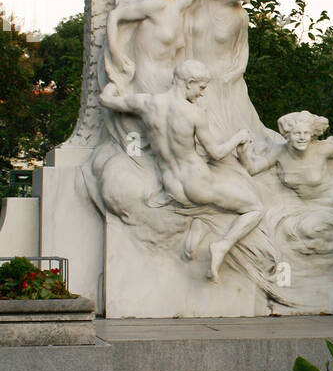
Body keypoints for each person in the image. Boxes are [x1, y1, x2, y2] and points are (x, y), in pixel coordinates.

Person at [100, 60, 261, 280]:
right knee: (254, 208)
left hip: (171, 186)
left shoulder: (146, 103)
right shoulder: (194, 113)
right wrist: (239, 137)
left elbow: (106, 100)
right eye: (201, 87)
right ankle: (222, 246)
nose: (202, 93)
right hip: (197, 182)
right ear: (190, 82)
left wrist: (119, 79)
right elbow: (215, 153)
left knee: (207, 207)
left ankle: (197, 230)